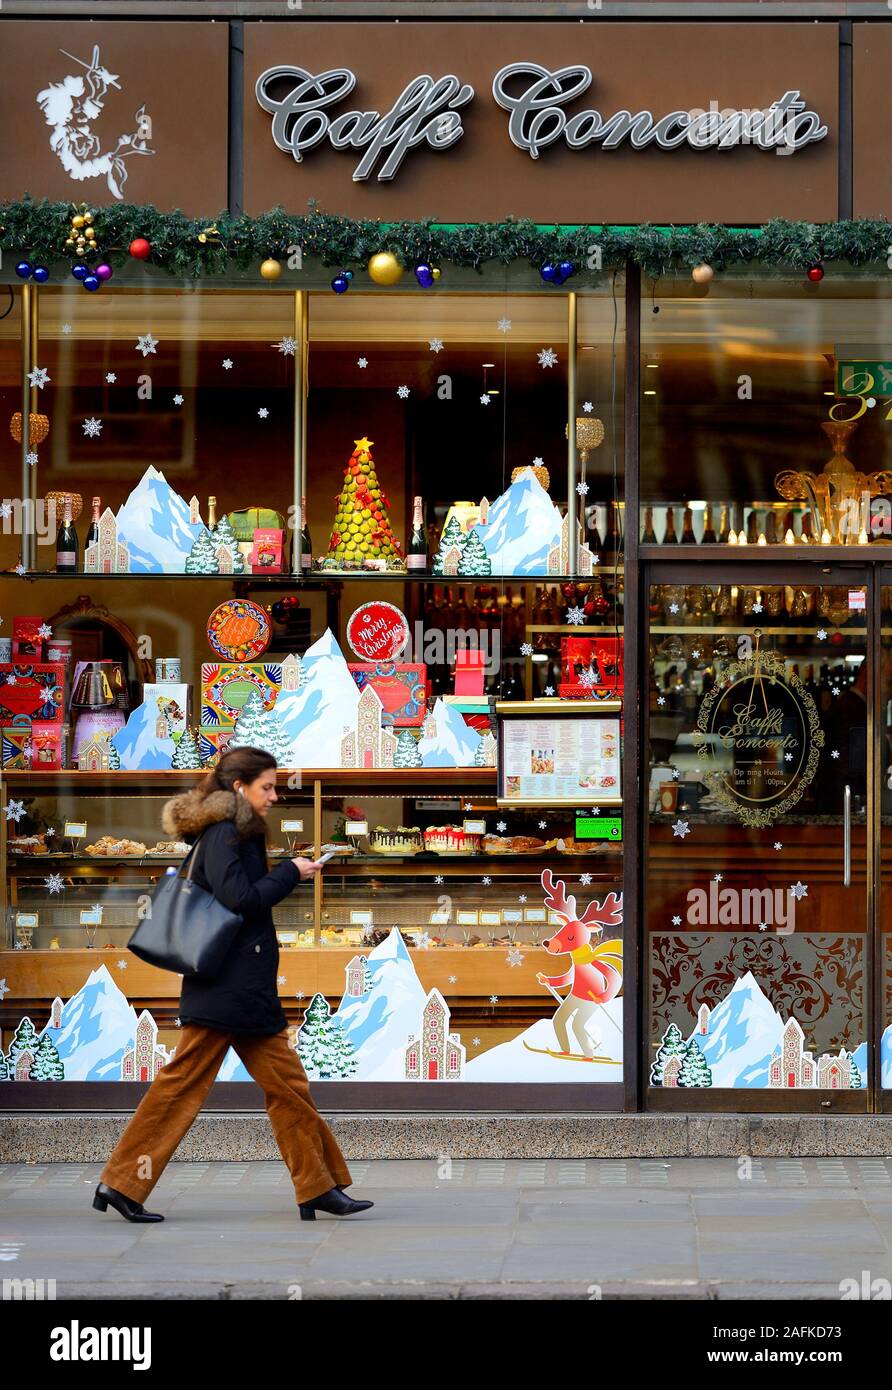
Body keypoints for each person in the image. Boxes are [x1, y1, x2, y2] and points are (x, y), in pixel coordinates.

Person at [93, 746, 372, 1224]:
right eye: (267, 787)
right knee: (181, 1086)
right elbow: (239, 899)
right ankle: (122, 1182)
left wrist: (283, 872)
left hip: (243, 986)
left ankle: (317, 1187)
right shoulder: (225, 832)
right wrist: (291, 872)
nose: (275, 795)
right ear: (239, 788)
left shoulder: (231, 829)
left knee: (288, 1088)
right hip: (227, 987)